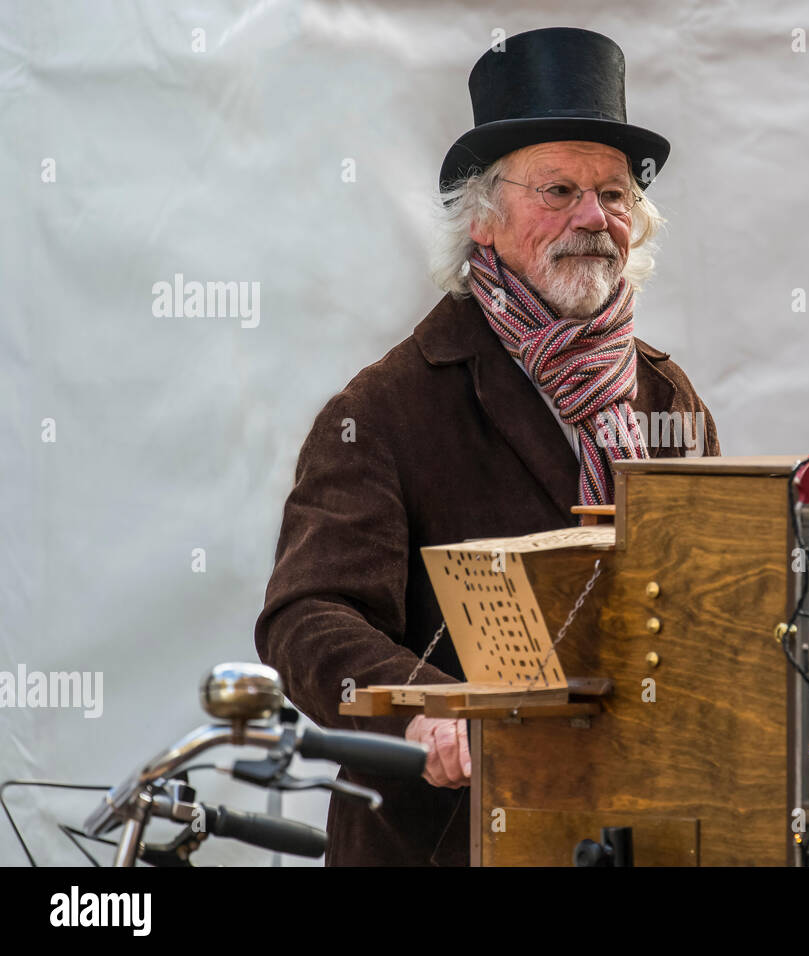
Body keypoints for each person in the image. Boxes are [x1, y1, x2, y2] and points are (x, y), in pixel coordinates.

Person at [254, 27, 720, 865]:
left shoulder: (668, 400)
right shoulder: (383, 409)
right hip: (446, 840)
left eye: (613, 194)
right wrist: (429, 710)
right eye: (559, 190)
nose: (592, 218)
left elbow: (711, 600)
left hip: (636, 830)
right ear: (482, 220)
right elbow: (307, 617)